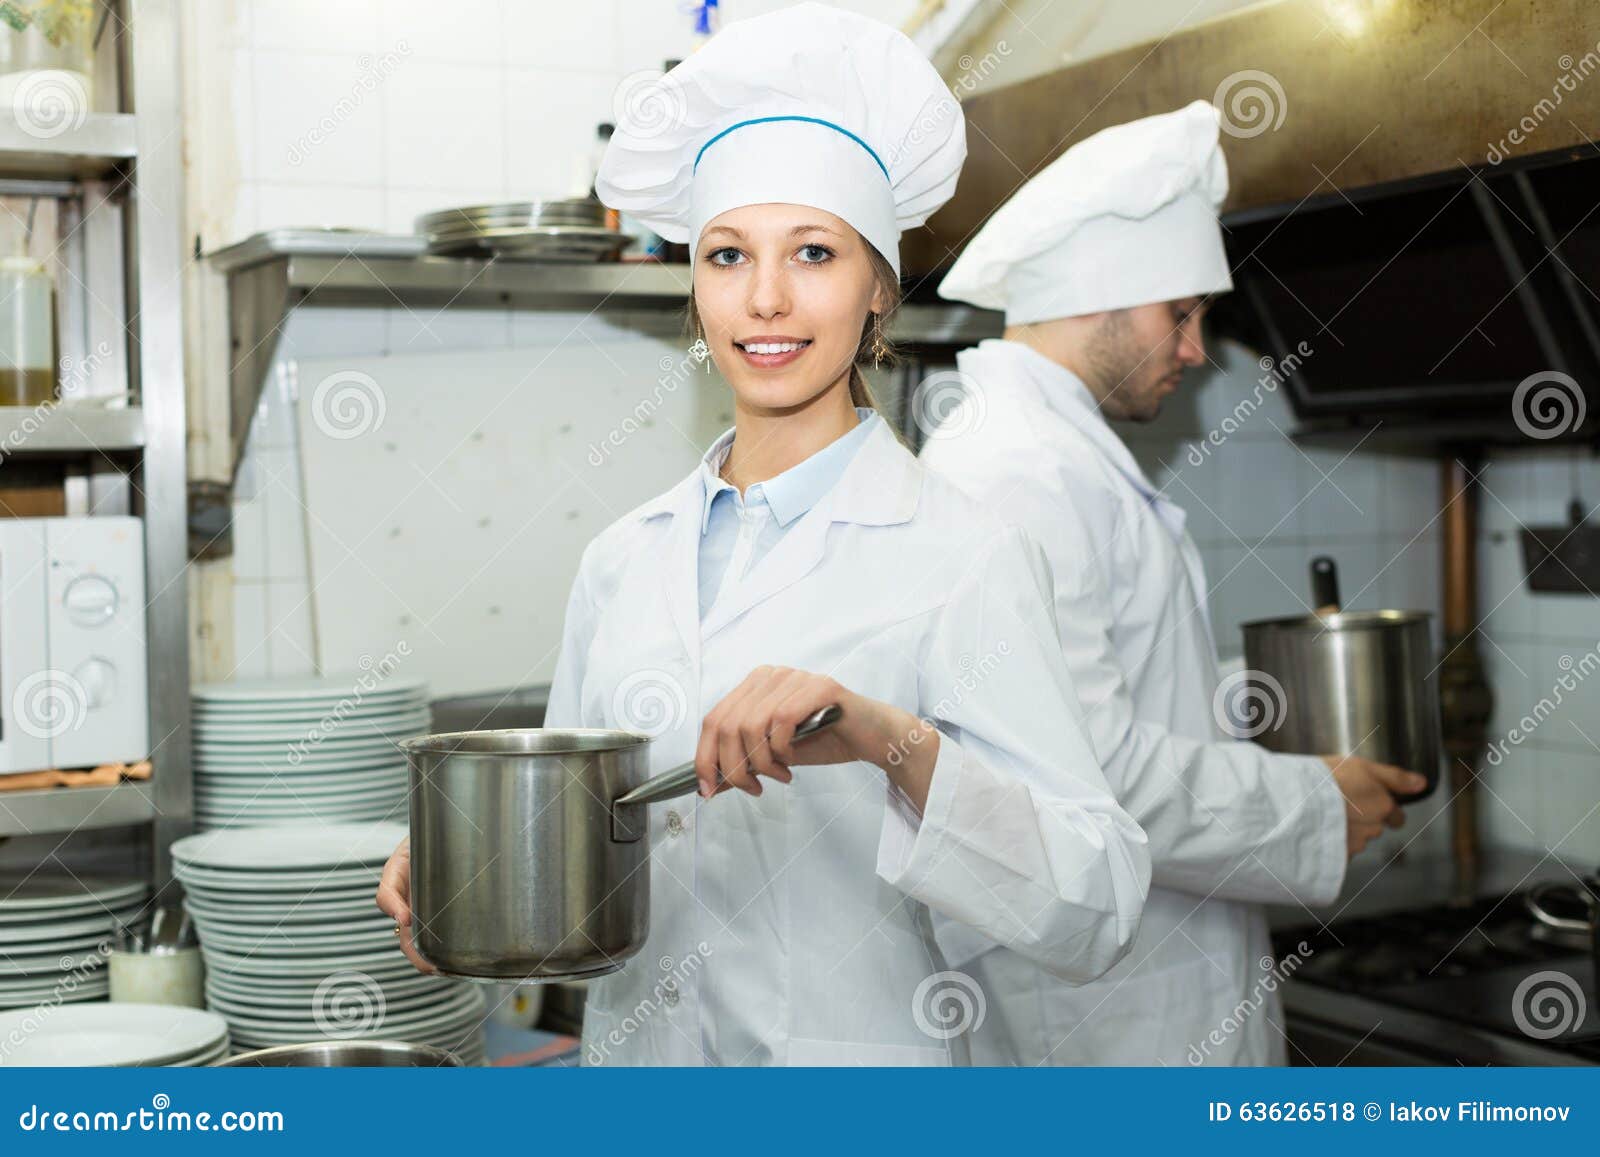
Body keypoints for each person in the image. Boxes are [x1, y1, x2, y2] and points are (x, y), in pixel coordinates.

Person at [377, 2, 1150, 1067]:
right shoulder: (623, 559)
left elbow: (1095, 895)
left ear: (877, 289)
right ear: (693, 290)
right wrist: (466, 855)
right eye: (728, 255)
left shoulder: (963, 549)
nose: (767, 299)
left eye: (815, 253)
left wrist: (889, 739)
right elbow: (566, 827)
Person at [920, 101, 1424, 1066]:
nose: (1197, 349)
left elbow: (1122, 691)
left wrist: (1278, 702)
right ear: (1097, 297)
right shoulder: (1015, 471)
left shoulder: (1054, 455)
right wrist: (1314, 802)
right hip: (1106, 1017)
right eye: (1181, 314)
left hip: (1150, 983)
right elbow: (1085, 771)